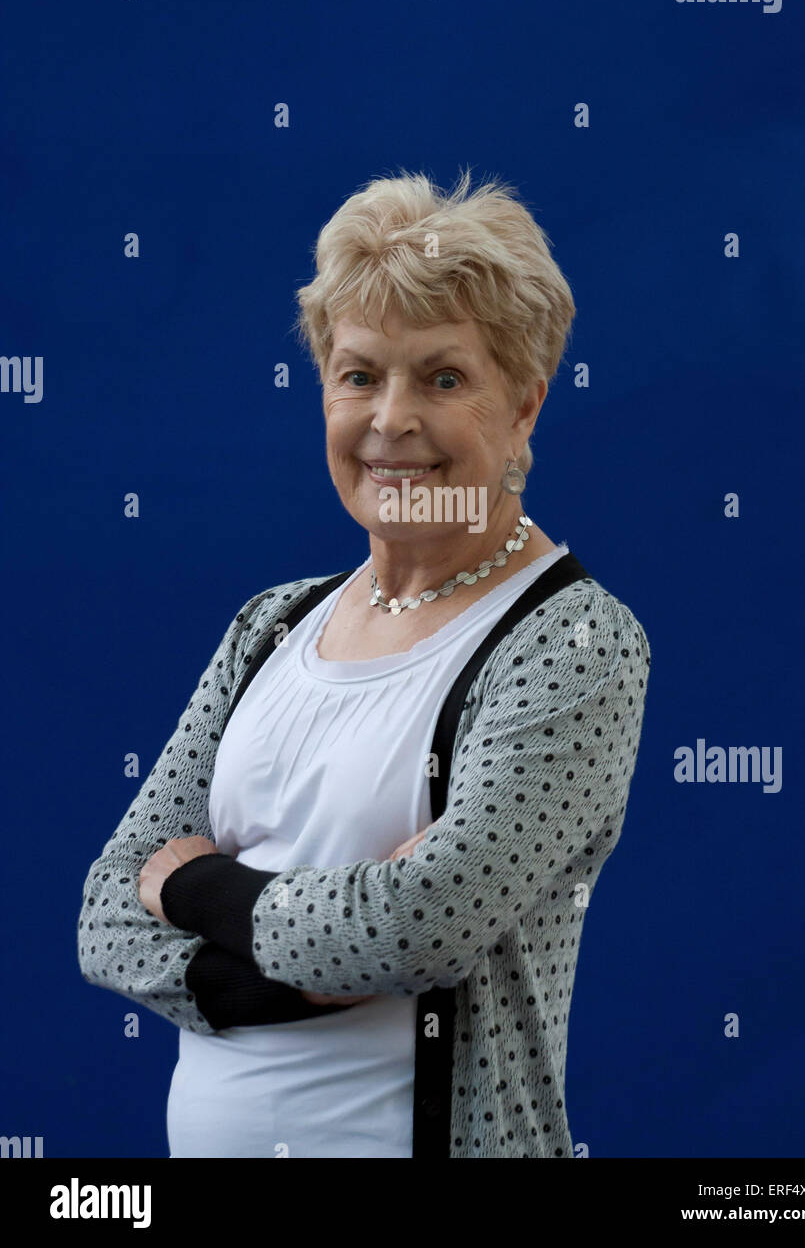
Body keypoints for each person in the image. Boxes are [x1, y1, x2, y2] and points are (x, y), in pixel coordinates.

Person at [77, 167, 651, 1158]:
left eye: (442, 378)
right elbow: (102, 913)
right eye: (357, 375)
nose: (389, 422)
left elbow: (415, 929)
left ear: (523, 406)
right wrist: (294, 962)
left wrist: (201, 893)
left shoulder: (574, 641)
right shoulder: (269, 625)